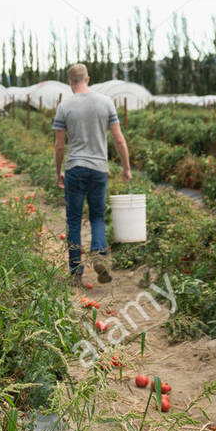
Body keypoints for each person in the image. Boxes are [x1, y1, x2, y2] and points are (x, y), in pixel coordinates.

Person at [52, 64, 132, 287]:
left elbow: (59, 146)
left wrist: (58, 171)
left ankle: (76, 271)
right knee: (97, 216)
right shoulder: (105, 102)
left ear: (70, 81)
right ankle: (99, 253)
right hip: (99, 169)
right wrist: (126, 167)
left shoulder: (64, 106)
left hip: (75, 168)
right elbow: (118, 138)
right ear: (88, 78)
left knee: (74, 219)